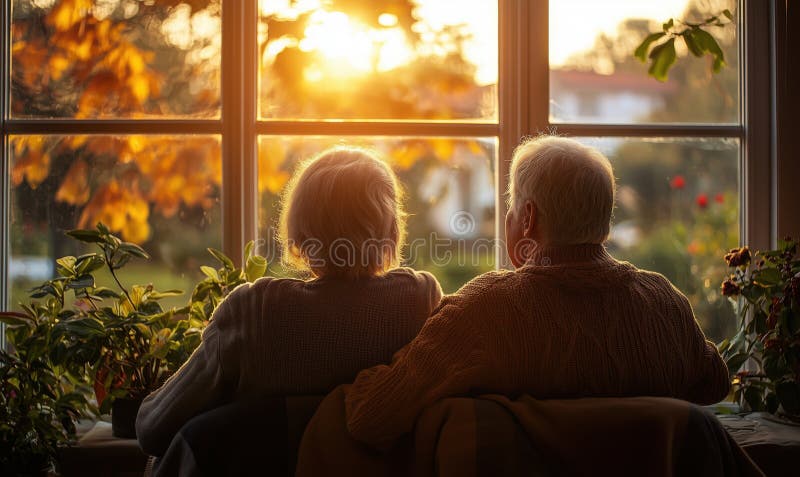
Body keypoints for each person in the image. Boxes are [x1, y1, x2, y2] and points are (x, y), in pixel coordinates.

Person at [344, 135, 730, 450]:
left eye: (511, 206)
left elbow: (370, 416)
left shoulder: (487, 308)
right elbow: (714, 382)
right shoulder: (662, 300)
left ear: (527, 218)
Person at [136, 146, 442, 457]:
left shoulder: (253, 311)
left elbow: (153, 429)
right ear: (390, 230)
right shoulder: (420, 300)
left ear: (300, 230)